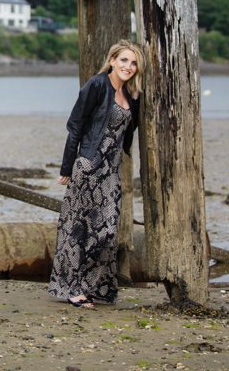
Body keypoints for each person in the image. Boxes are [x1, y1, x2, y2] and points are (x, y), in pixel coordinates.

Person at [48, 39, 144, 309]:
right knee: (77, 229)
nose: (128, 66)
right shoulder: (96, 85)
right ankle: (73, 289)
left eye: (134, 62)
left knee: (107, 232)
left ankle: (94, 287)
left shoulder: (132, 96)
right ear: (112, 60)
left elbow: (128, 132)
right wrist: (67, 168)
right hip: (89, 165)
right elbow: (75, 126)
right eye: (124, 60)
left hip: (111, 172)